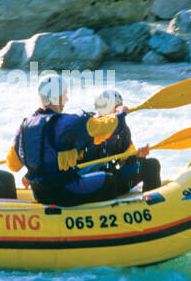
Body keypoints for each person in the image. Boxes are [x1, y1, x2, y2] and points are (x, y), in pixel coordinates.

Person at [7, 73, 126, 206]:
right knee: (109, 179)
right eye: (64, 95)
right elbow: (103, 128)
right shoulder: (65, 122)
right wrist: (120, 115)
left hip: (38, 192)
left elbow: (13, 165)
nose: (66, 99)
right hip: (64, 191)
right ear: (56, 98)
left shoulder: (24, 125)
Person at [81, 89, 162, 192]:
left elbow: (126, 160)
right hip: (90, 183)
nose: (121, 109)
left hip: (113, 179)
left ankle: (152, 202)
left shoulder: (123, 130)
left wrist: (138, 155)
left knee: (151, 165)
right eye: (117, 107)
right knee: (106, 173)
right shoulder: (87, 125)